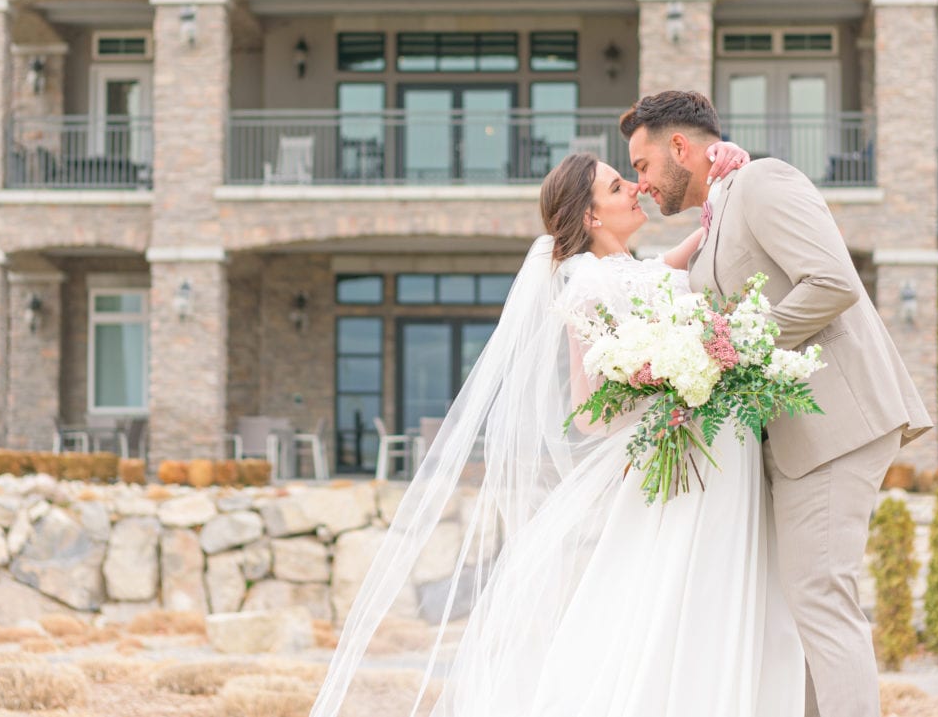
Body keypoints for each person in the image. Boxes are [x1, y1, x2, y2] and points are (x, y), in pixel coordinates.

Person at [310, 146, 807, 717]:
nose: (635, 189)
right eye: (618, 187)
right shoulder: (587, 288)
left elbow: (689, 249)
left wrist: (726, 175)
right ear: (591, 216)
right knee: (670, 600)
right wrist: (659, 383)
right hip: (676, 452)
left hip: (711, 445)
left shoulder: (631, 270)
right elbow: (590, 412)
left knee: (694, 598)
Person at [621, 90, 933, 717]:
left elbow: (833, 282)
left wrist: (734, 346)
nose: (642, 183)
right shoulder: (717, 213)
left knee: (820, 597)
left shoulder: (762, 181)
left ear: (679, 147)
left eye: (643, 165)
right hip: (789, 439)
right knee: (801, 608)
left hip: (835, 425)